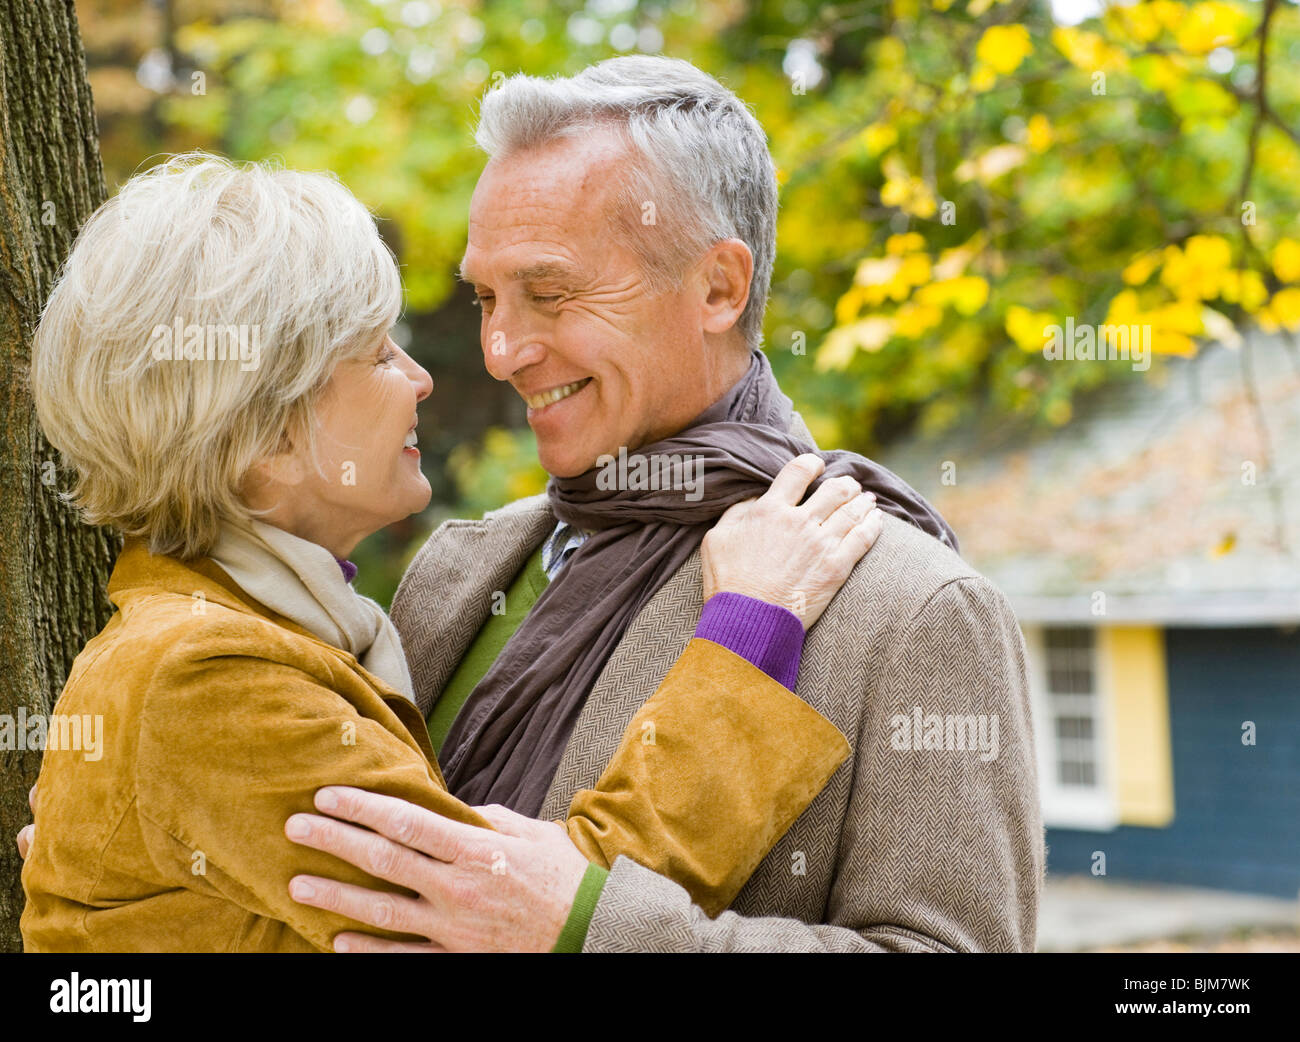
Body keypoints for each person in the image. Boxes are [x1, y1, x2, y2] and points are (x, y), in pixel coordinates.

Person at [17, 154, 885, 953]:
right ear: (265, 432)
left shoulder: (254, 638)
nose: (425, 376)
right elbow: (526, 919)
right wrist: (747, 636)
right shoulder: (204, 679)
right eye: (377, 353)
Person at [281, 55, 1045, 953]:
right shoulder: (458, 572)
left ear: (719, 287)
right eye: (487, 298)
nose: (499, 350)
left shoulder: (913, 609)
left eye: (549, 293)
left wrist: (588, 930)